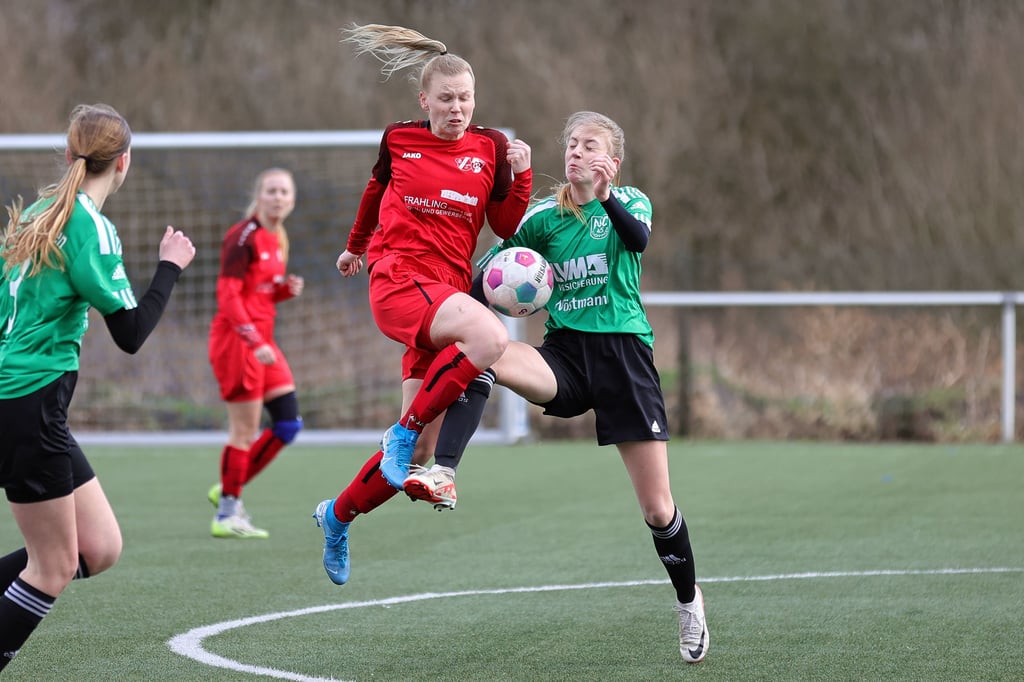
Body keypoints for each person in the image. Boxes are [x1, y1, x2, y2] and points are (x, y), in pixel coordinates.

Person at [403, 111, 710, 663]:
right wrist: (457, 297)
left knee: (657, 509)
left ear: (612, 161)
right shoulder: (545, 217)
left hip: (624, 359)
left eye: (589, 145)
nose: (575, 152)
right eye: (571, 144)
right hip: (564, 357)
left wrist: (606, 196)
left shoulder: (630, 201)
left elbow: (637, 240)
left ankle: (688, 602)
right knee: (487, 353)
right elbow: (485, 273)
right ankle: (444, 472)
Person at [313, 22, 532, 585]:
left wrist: (522, 175)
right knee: (490, 337)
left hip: (447, 292)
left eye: (466, 98)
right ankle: (404, 432)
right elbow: (373, 192)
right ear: (424, 101)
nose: (457, 109)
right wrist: (355, 247)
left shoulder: (491, 147)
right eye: (446, 99)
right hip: (398, 278)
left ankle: (336, 517)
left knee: (415, 461)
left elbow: (506, 226)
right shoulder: (399, 139)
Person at [0, 103, 195, 673]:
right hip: (27, 403)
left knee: (98, 546)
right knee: (53, 567)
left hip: (26, 405)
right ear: (124, 162)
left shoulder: (36, 214)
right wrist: (170, 266)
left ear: (68, 154)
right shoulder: (89, 227)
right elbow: (130, 334)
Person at [207, 168, 304, 539]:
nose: (278, 197)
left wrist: (282, 292)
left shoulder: (276, 237)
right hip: (239, 342)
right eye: (271, 191)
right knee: (244, 431)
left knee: (288, 423)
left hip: (263, 340)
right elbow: (228, 297)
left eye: (284, 191)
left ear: (292, 200)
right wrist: (253, 341)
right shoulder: (242, 236)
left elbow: (257, 294)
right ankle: (226, 513)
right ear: (259, 196)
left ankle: (229, 486)